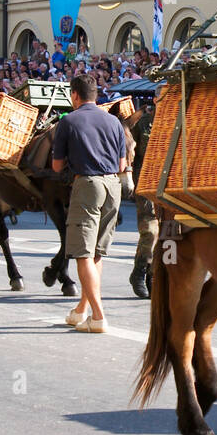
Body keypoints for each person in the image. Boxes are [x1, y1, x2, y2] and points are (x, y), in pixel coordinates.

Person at [51, 74, 127, 333]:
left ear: (74, 95)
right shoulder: (114, 121)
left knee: (82, 253)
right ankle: (81, 310)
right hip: (113, 186)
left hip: (88, 185)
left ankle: (98, 315)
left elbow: (57, 165)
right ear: (95, 94)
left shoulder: (68, 121)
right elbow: (122, 164)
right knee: (95, 253)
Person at [124, 101, 156, 298]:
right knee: (150, 231)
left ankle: (154, 276)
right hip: (145, 179)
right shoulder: (143, 123)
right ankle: (140, 272)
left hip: (169, 181)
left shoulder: (178, 119)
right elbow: (130, 152)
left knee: (170, 233)